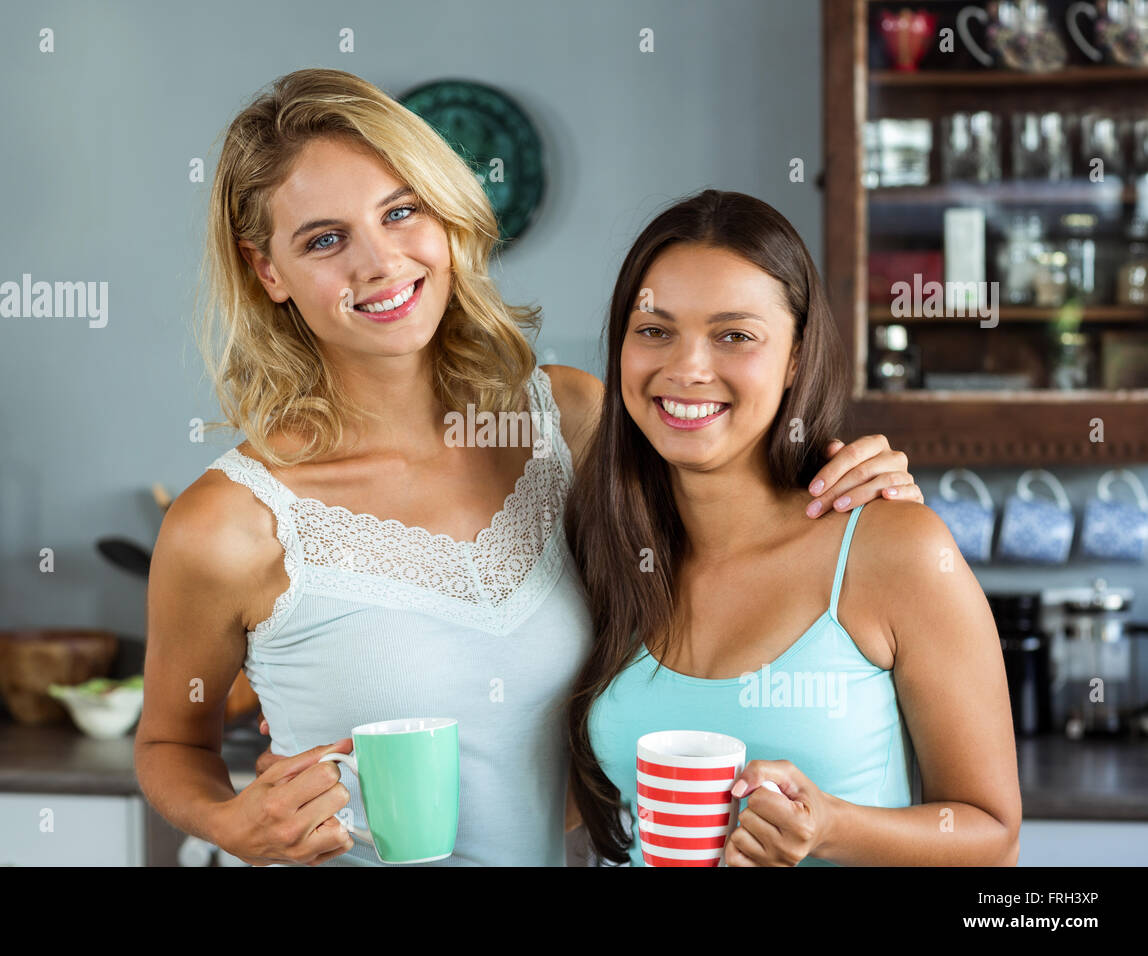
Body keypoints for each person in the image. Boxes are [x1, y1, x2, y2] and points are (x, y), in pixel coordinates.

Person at [133, 68, 923, 866]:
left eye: (401, 211)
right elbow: (169, 741)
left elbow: (734, 511)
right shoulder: (230, 523)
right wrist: (231, 822)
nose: (378, 262)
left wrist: (852, 480)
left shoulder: (571, 424)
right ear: (267, 270)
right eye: (324, 239)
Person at [566, 190, 1021, 866]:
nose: (687, 368)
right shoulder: (604, 541)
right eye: (654, 329)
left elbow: (994, 837)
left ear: (797, 359)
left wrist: (832, 826)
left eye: (734, 335)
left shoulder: (894, 547)